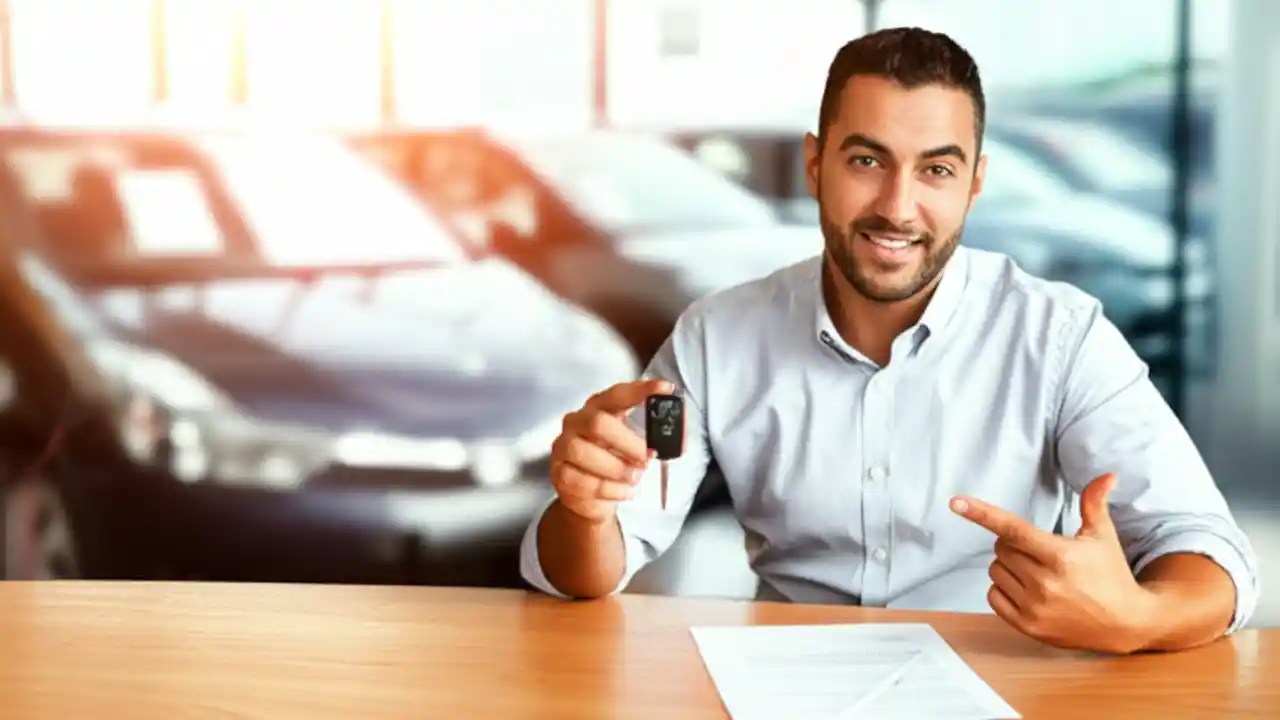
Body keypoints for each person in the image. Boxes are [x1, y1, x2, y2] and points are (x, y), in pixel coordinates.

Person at [518, 27, 1258, 654]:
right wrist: (585, 511)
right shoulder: (718, 336)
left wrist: (1135, 617)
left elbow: (1209, 553)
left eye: (936, 169)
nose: (898, 207)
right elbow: (591, 568)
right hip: (787, 684)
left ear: (974, 184)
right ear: (815, 163)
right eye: (866, 161)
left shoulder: (1060, 337)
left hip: (1001, 680)